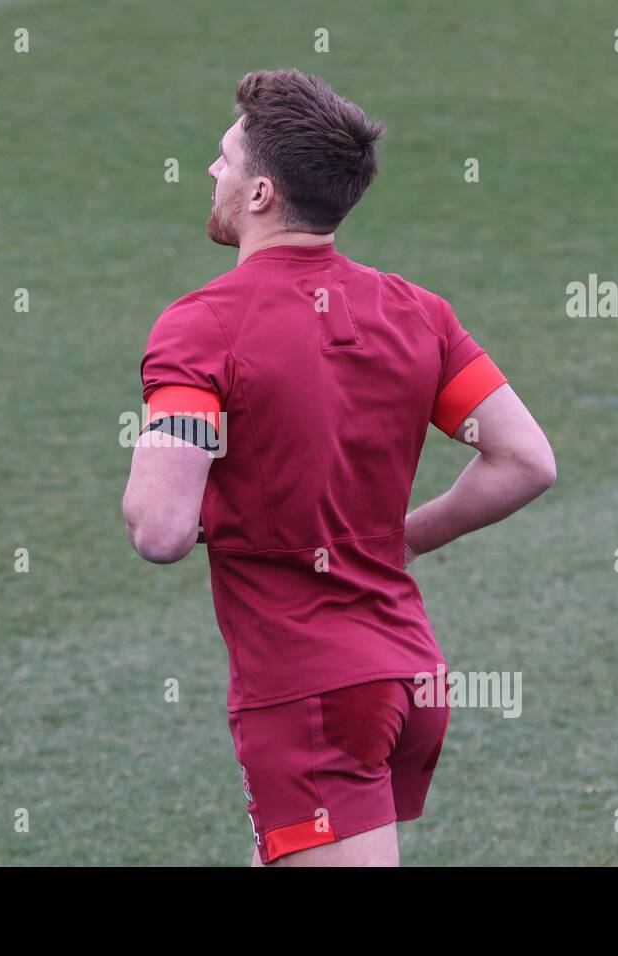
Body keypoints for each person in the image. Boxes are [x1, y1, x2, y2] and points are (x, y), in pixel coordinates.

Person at [122, 69, 556, 866]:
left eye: (224, 159)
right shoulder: (418, 312)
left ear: (260, 194)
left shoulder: (200, 328)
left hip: (311, 696)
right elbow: (524, 460)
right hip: (405, 670)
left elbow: (159, 529)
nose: (212, 172)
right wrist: (406, 539)